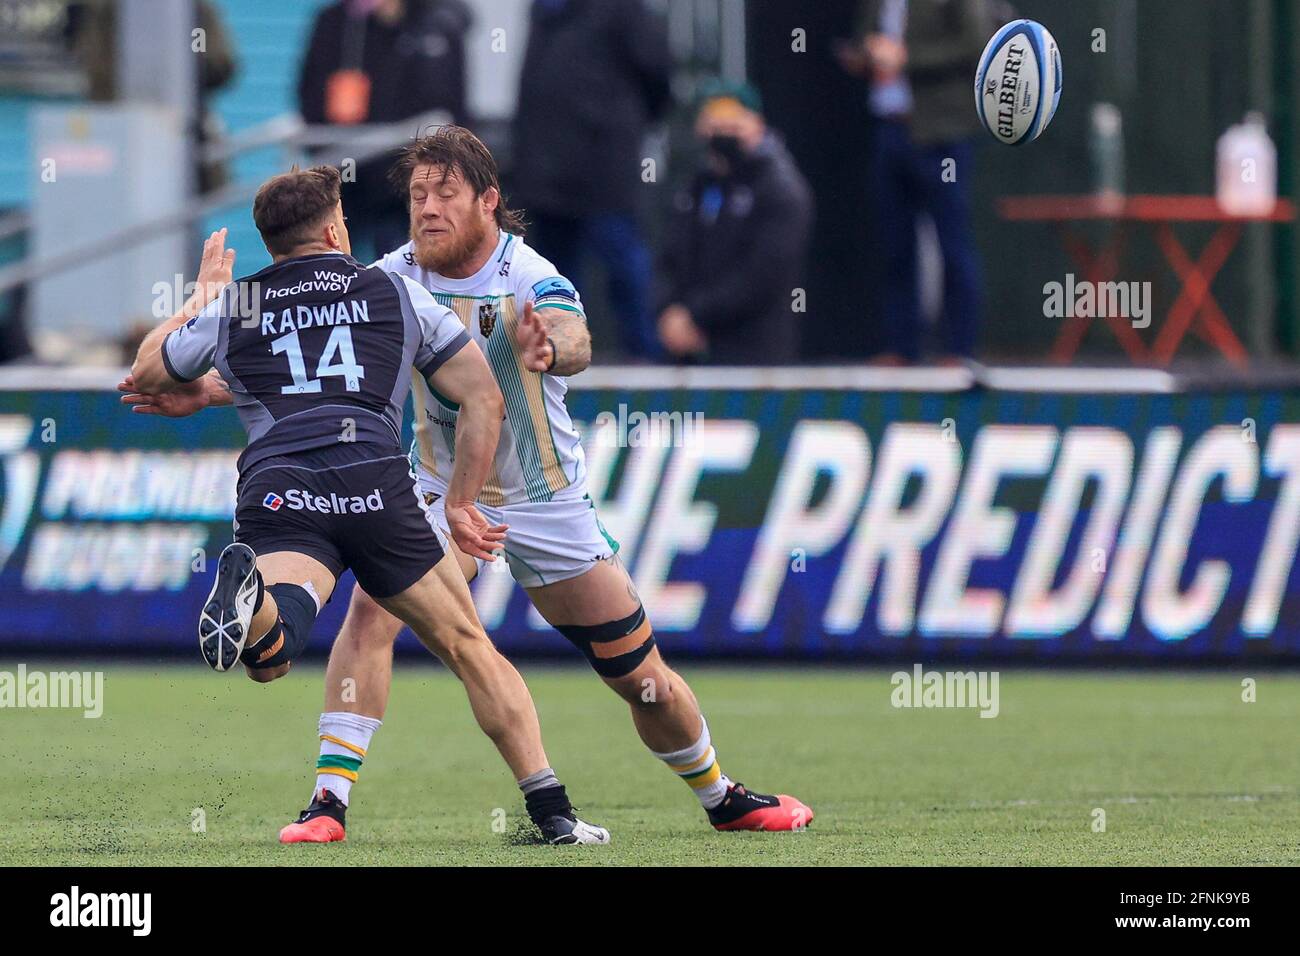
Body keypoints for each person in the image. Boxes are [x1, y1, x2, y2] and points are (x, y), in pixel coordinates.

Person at [134, 128, 813, 833]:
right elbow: (322, 362)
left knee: (639, 677)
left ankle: (719, 795)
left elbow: (572, 336)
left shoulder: (530, 274)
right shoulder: (389, 276)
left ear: (489, 201)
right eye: (417, 196)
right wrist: (214, 391)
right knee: (371, 617)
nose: (426, 209)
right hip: (438, 488)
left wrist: (554, 345)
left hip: (543, 500)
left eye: (445, 194)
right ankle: (329, 802)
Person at [123, 167, 608, 846]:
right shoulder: (393, 290)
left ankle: (254, 602)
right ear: (332, 228)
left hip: (279, 481)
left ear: (271, 242)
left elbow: (146, 373)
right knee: (468, 646)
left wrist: (199, 300)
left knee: (272, 655)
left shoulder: (237, 305)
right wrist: (462, 501)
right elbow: (482, 395)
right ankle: (553, 814)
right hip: (375, 480)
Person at [510, 0, 671, 359]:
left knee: (625, 268)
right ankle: (561, 361)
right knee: (554, 279)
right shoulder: (545, 11)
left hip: (604, 171)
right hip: (546, 173)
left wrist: (614, 125)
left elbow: (658, 75)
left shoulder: (624, 12)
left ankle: (647, 360)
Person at [837, 0, 991, 364]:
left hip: (942, 133)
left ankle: (960, 349)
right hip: (890, 128)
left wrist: (907, 58)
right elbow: (867, 40)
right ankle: (901, 347)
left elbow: (977, 45)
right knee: (896, 245)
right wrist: (864, 55)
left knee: (952, 244)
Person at [298, 0, 473, 258]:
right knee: (332, 268)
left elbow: (450, 102)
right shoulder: (337, 23)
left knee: (402, 271)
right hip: (344, 179)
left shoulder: (435, 23)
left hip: (404, 182)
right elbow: (311, 95)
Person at [655, 82, 814, 365]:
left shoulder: (779, 189)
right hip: (687, 353)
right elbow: (669, 257)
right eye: (715, 121)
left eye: (734, 121)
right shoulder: (693, 187)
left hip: (754, 355)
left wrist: (696, 315)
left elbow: (762, 275)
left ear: (757, 124)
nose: (723, 131)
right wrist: (671, 314)